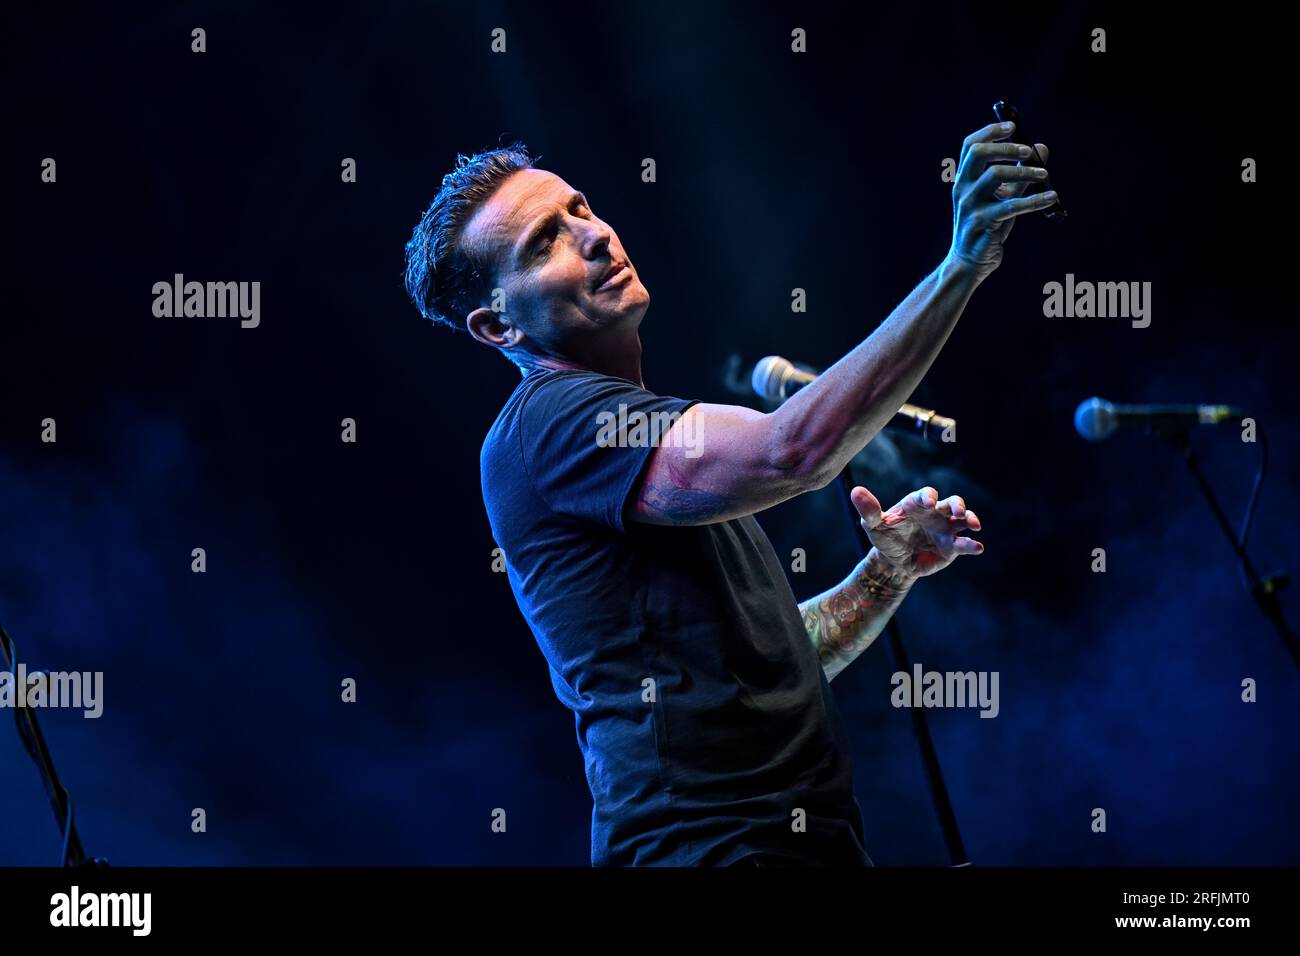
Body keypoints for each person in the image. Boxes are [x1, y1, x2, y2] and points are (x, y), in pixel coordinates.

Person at [403, 123, 1054, 865]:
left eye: (580, 207)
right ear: (496, 326)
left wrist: (885, 575)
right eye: (545, 241)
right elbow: (794, 450)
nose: (592, 235)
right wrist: (961, 265)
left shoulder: (644, 446)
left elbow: (771, 664)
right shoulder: (550, 425)